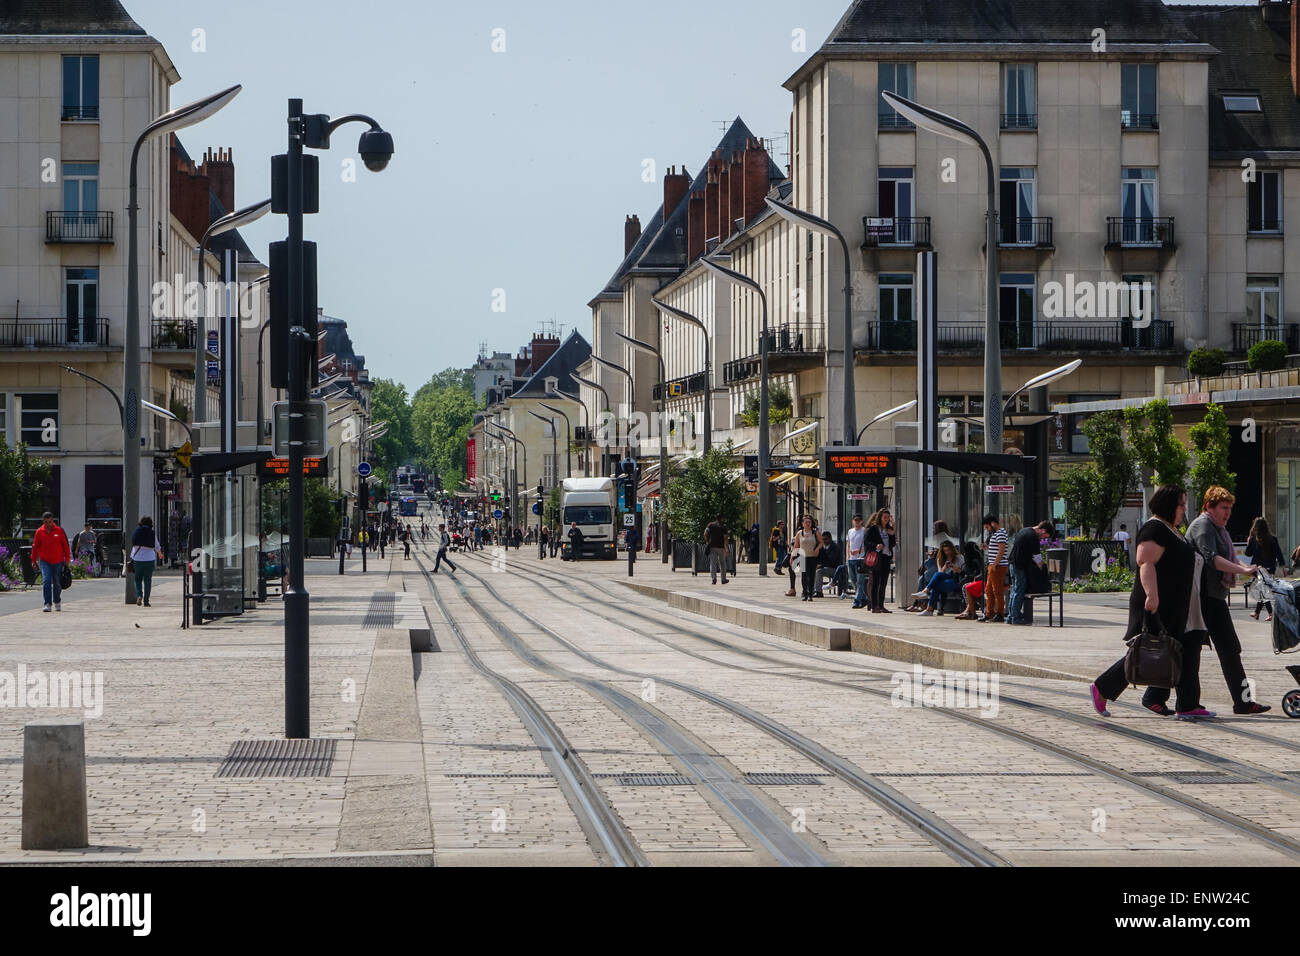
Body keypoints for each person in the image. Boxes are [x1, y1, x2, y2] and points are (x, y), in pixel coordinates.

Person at [1090, 485, 1212, 719]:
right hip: (1158, 604)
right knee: (1145, 652)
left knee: (1181, 651)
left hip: (1178, 605)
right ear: (1169, 506)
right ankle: (1102, 688)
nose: (1184, 509)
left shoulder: (1171, 530)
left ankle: (1187, 705)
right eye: (1181, 504)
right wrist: (1152, 595)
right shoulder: (1154, 529)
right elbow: (1145, 562)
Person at [1167, 486, 1269, 715]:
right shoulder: (1204, 527)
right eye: (1224, 508)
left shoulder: (1219, 529)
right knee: (1190, 651)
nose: (1228, 513)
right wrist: (1243, 571)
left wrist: (1247, 568)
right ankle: (1174, 700)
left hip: (1214, 597)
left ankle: (1243, 702)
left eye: (1230, 508)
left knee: (1230, 648)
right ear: (1209, 507)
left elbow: (1229, 558)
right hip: (1201, 598)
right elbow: (1212, 559)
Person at [1007, 520, 1053, 625]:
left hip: (1012, 564)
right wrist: (1042, 567)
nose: (1043, 539)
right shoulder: (1033, 537)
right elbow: (1037, 557)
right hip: (1019, 566)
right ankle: (1016, 617)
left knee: (1014, 590)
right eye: (1045, 536)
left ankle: (1010, 616)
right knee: (1019, 591)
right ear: (1043, 530)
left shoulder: (1024, 530)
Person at [1245, 516, 1287, 621]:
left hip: (1258, 568)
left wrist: (1248, 542)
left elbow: (1248, 554)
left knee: (1262, 590)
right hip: (1270, 568)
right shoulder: (1273, 539)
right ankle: (1257, 613)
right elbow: (1279, 554)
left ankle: (1270, 613)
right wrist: (1283, 567)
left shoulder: (1254, 539)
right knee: (1262, 589)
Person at [31, 511, 71, 613]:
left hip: (58, 561)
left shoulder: (59, 531)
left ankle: (57, 601)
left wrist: (67, 559)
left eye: (49, 522)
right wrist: (33, 561)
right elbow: (35, 547)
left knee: (57, 582)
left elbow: (65, 546)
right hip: (45, 561)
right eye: (46, 522)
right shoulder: (39, 532)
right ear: (43, 522)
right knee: (46, 581)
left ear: (52, 521)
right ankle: (47, 603)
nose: (48, 524)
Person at [919, 541, 964, 616]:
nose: (947, 552)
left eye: (948, 550)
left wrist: (953, 566)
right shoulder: (940, 559)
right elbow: (941, 573)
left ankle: (929, 605)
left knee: (936, 582)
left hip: (955, 578)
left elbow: (962, 572)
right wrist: (945, 567)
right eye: (945, 551)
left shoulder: (959, 557)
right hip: (945, 578)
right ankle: (929, 608)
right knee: (937, 583)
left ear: (952, 549)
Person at [865, 508, 896, 613]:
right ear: (880, 517)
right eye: (884, 517)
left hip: (886, 557)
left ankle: (881, 605)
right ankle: (874, 605)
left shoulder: (888, 529)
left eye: (888, 518)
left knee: (883, 583)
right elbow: (867, 542)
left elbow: (892, 544)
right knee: (875, 582)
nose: (886, 520)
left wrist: (892, 534)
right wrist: (876, 546)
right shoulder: (874, 529)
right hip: (877, 558)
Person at [129, 515, 164, 607]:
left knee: (137, 579)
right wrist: (160, 554)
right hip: (149, 559)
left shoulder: (136, 531)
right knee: (148, 580)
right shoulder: (152, 533)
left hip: (138, 559)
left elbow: (133, 544)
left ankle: (139, 595)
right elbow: (157, 545)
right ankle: (146, 601)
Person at [982, 514, 1009, 623]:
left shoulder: (1000, 534)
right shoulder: (997, 534)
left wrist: (995, 564)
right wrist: (987, 548)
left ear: (992, 524)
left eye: (987, 527)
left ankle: (999, 613)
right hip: (993, 565)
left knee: (997, 590)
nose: (987, 530)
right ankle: (990, 613)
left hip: (998, 566)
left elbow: (1001, 550)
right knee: (988, 590)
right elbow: (997, 548)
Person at [956, 541, 987, 620]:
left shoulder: (974, 560)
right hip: (979, 579)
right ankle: (969, 611)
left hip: (981, 580)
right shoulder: (979, 557)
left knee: (966, 587)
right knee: (966, 586)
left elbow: (976, 572)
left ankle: (970, 611)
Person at [792, 515, 820, 601]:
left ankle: (810, 593)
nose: (808, 524)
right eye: (806, 522)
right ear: (802, 524)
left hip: (812, 557)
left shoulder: (815, 532)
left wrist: (817, 549)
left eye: (809, 522)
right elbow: (796, 546)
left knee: (812, 576)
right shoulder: (799, 533)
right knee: (804, 576)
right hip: (803, 556)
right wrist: (792, 557)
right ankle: (804, 593)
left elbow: (821, 542)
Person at [846, 513, 869, 610]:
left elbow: (867, 545)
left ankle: (856, 600)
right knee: (853, 580)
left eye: (859, 520)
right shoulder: (850, 531)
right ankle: (864, 598)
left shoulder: (864, 531)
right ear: (853, 521)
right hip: (851, 559)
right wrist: (847, 556)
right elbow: (848, 544)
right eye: (855, 520)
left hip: (861, 559)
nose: (857, 522)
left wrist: (859, 551)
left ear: (862, 521)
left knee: (860, 581)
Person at [814, 531, 842, 597]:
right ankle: (812, 590)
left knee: (819, 572)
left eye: (826, 539)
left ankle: (819, 592)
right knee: (812, 570)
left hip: (835, 569)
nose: (824, 541)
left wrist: (821, 565)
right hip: (826, 568)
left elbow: (832, 561)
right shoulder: (823, 547)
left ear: (830, 538)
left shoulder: (835, 547)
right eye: (823, 539)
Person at [705, 515, 728, 585]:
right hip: (721, 547)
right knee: (723, 563)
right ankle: (723, 579)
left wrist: (708, 542)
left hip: (712, 546)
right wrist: (726, 548)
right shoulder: (723, 527)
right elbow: (725, 538)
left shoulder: (710, 525)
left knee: (713, 563)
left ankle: (713, 579)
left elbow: (705, 534)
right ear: (721, 519)